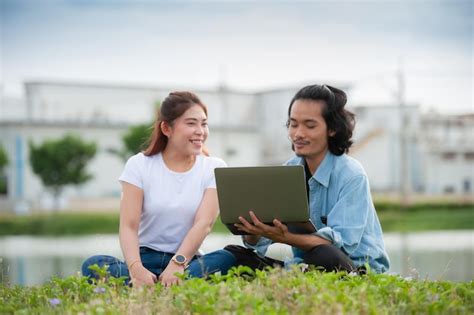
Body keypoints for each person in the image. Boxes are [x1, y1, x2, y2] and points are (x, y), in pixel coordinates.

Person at [222, 84, 390, 274]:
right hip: (305, 264)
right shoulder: (288, 171)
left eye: (309, 125)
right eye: (293, 124)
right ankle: (296, 273)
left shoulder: (352, 175)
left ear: (332, 129)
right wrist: (254, 231)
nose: (298, 134)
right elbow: (260, 242)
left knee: (322, 255)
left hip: (356, 268)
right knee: (234, 256)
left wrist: (286, 237)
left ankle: (296, 273)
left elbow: (341, 245)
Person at [82, 91, 236, 287]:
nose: (200, 131)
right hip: (145, 259)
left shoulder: (214, 167)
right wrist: (136, 269)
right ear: (166, 128)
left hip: (187, 261)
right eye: (191, 123)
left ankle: (160, 285)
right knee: (93, 265)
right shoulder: (139, 165)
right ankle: (151, 283)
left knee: (227, 258)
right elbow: (128, 226)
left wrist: (178, 264)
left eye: (204, 123)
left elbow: (204, 224)